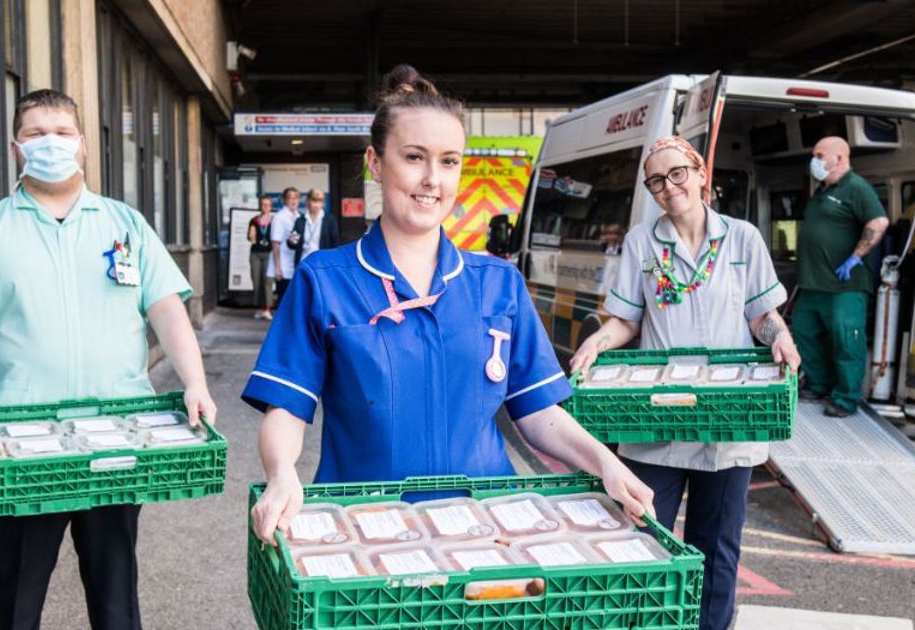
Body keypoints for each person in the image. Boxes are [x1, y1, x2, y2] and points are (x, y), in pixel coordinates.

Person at [243, 64, 655, 546]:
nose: (432, 179)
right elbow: (288, 407)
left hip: (487, 531)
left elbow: (538, 411)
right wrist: (281, 474)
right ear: (375, 162)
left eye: (449, 161)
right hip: (364, 531)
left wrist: (605, 461)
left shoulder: (499, 285)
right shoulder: (325, 281)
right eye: (414, 157)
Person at [0, 89, 218, 630]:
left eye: (61, 132)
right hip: (24, 441)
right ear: (17, 148)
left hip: (119, 434)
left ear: (82, 146)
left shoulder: (124, 224)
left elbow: (168, 309)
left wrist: (195, 382)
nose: (49, 143)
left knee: (114, 589)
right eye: (35, 134)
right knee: (15, 587)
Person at [569, 136, 801, 630]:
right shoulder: (641, 242)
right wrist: (597, 344)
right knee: (641, 544)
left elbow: (762, 314)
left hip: (727, 420)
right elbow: (627, 320)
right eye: (656, 180)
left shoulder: (742, 239)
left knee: (716, 554)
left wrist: (780, 337)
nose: (667, 187)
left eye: (677, 174)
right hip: (655, 420)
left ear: (700, 174)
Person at [794, 136, 888, 417]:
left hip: (843, 286)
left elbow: (878, 222)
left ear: (840, 158)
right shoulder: (823, 190)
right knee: (803, 332)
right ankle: (820, 385)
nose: (816, 160)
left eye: (820, 155)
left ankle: (846, 398)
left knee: (847, 341)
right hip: (812, 285)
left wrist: (855, 257)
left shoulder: (856, 188)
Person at [269, 187, 304, 306]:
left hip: (295, 263)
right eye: (290, 198)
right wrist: (278, 268)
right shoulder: (280, 217)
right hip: (283, 265)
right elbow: (275, 243)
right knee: (283, 299)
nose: (293, 201)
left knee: (294, 300)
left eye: (296, 198)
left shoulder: (299, 217)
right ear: (284, 200)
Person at [293, 188, 340, 264]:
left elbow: (335, 244)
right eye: (314, 201)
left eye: (319, 201)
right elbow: (293, 244)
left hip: (322, 263)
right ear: (308, 202)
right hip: (304, 262)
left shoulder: (329, 220)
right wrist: (291, 241)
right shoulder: (300, 220)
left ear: (323, 203)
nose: (316, 205)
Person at [248, 195, 275, 319]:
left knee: (267, 281)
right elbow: (250, 238)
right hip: (255, 253)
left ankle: (267, 308)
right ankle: (259, 307)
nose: (265, 207)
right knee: (256, 280)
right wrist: (251, 235)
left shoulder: (274, 220)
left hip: (269, 253)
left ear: (271, 206)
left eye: (267, 205)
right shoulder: (254, 220)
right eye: (263, 204)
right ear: (260, 206)